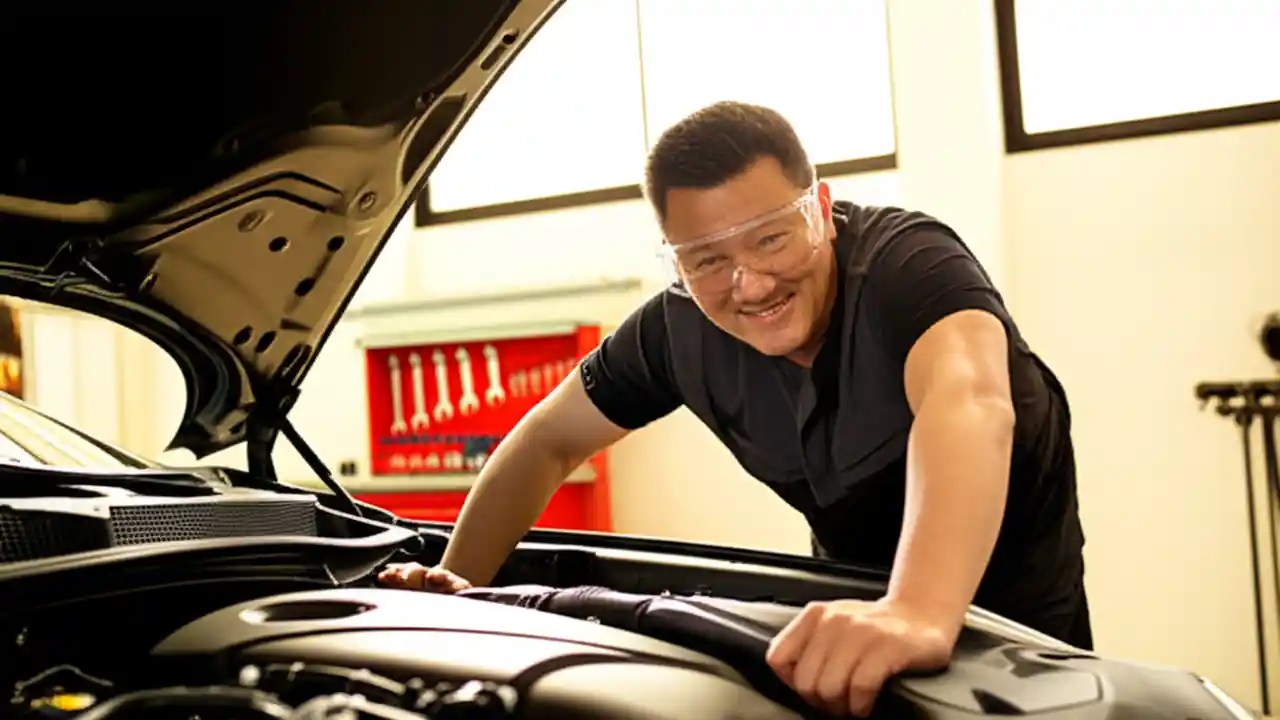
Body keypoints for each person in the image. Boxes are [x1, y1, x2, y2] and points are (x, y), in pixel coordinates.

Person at [379, 101, 1090, 717]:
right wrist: (458, 585)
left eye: (771, 238)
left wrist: (917, 611)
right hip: (856, 606)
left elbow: (971, 401)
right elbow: (547, 442)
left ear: (820, 208)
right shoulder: (675, 330)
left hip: (1018, 617)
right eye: (706, 260)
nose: (748, 285)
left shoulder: (910, 263)